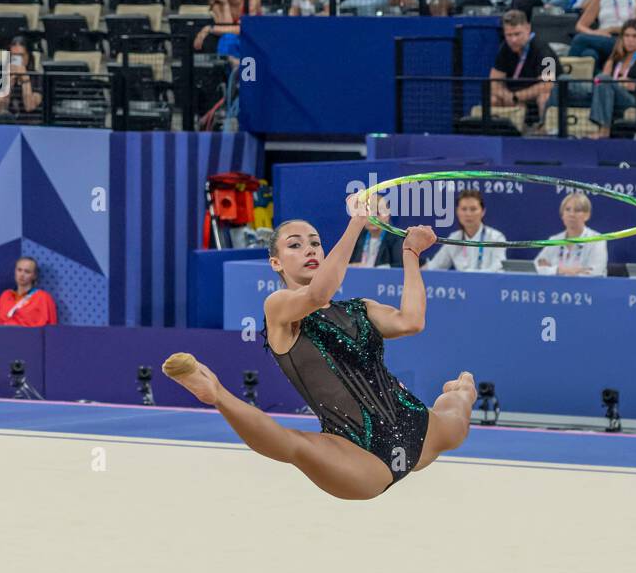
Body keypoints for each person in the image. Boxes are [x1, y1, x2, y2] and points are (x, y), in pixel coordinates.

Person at [163, 204, 478, 502]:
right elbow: (318, 294)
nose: (310, 249)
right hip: (356, 456)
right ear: (276, 262)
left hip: (416, 427)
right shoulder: (279, 308)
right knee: (294, 445)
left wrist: (410, 253)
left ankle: (462, 390)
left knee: (458, 411)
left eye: (315, 243)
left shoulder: (360, 308)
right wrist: (357, 222)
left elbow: (412, 321)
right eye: (295, 245)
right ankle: (216, 392)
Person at [589, 18, 636, 136]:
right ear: (622, 38)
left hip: (633, 98)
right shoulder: (615, 56)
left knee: (604, 80)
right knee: (565, 80)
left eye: (635, 36)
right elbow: (601, 80)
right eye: (627, 36)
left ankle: (604, 130)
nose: (630, 40)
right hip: (610, 95)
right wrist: (599, 80)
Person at [489, 8, 562, 125]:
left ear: (528, 28)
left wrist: (517, 97)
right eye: (509, 35)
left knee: (545, 97)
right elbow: (494, 81)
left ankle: (544, 131)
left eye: (517, 34)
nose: (513, 40)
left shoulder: (545, 51)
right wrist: (506, 95)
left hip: (534, 95)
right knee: (492, 99)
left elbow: (547, 85)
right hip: (513, 95)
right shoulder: (504, 48)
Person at [425, 190, 508, 272]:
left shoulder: (496, 238)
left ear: (483, 211)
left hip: (489, 284)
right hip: (462, 284)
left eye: (473, 209)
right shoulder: (454, 239)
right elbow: (433, 267)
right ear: (457, 211)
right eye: (464, 209)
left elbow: (498, 269)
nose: (468, 214)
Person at [534, 192, 608, 276]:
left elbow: (594, 273)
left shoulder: (597, 241)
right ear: (562, 215)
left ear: (587, 215)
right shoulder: (554, 240)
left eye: (577, 210)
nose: (571, 214)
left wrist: (553, 271)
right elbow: (538, 268)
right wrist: (558, 270)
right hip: (555, 289)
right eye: (567, 209)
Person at [193, 0, 261, 58]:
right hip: (231, 41)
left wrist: (209, 28)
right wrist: (225, 5)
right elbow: (227, 28)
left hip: (254, 40)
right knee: (228, 38)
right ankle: (233, 65)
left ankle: (232, 66)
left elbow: (248, 30)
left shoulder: (252, 0)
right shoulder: (217, 5)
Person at [0, 256, 58, 327]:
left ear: (34, 276)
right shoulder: (5, 296)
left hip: (30, 337)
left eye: (27, 272)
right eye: (19, 270)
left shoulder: (44, 298)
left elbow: (52, 328)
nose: (22, 275)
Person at [349, 195, 404, 267]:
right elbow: (344, 263)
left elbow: (399, 266)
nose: (373, 219)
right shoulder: (357, 237)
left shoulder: (397, 239)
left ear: (387, 216)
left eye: (377, 213)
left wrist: (374, 269)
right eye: (368, 214)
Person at [0, 39, 42, 121]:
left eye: (21, 56)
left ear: (28, 56)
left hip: (30, 125)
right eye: (14, 56)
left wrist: (25, 80)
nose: (17, 60)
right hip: (8, 124)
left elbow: (29, 106)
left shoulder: (37, 77)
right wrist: (9, 82)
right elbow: (0, 108)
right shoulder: (3, 75)